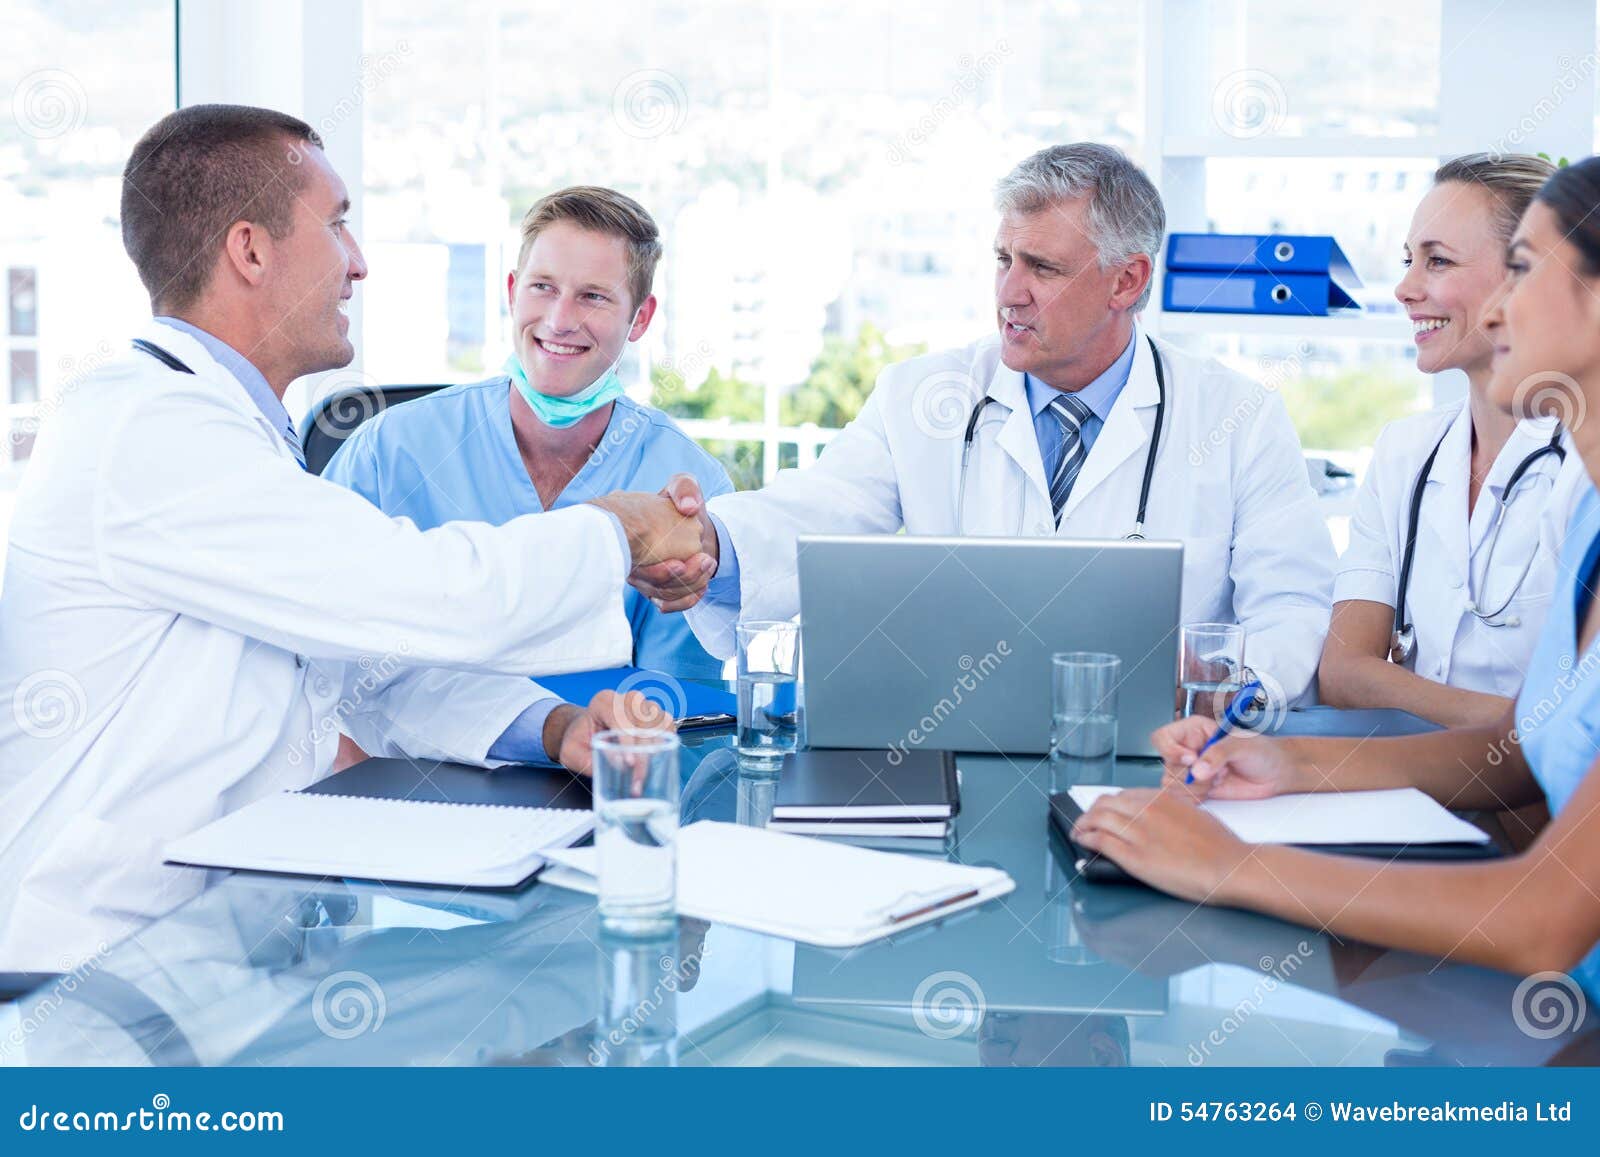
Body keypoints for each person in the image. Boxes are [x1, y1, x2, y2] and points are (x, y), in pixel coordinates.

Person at [0, 105, 708, 970]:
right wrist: (622, 528)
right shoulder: (150, 434)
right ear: (251, 251)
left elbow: (356, 667)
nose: (359, 261)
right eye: (336, 224)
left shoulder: (222, 433)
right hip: (87, 978)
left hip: (217, 944)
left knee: (514, 1003)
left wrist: (553, 725)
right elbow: (428, 593)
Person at [1071, 156, 1600, 1006]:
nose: (1494, 307)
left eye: (1526, 271)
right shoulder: (1588, 529)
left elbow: (1542, 917)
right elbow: (1515, 759)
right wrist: (1286, 763)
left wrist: (1230, 866)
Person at [636, 143, 1336, 711]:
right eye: (1004, 259)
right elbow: (820, 513)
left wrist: (1237, 695)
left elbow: (1293, 602)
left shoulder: (1237, 417)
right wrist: (709, 545)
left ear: (1127, 282)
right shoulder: (924, 395)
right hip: (956, 745)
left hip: (1159, 766)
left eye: (1043, 268)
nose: (1008, 291)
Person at [323, 186, 732, 686]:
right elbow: (322, 630)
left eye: (593, 296)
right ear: (512, 291)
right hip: (404, 757)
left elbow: (674, 701)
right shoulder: (389, 450)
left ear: (640, 319)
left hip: (600, 759)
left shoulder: (688, 486)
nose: (560, 321)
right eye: (543, 287)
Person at [1319, 153, 1586, 729]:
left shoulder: (1584, 468)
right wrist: (1519, 724)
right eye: (1408, 260)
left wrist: (1399, 687)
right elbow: (1342, 672)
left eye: (1437, 261)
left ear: (1530, 277)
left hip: (1535, 811)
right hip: (1427, 785)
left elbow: (1578, 737)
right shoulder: (1404, 451)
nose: (1404, 288)